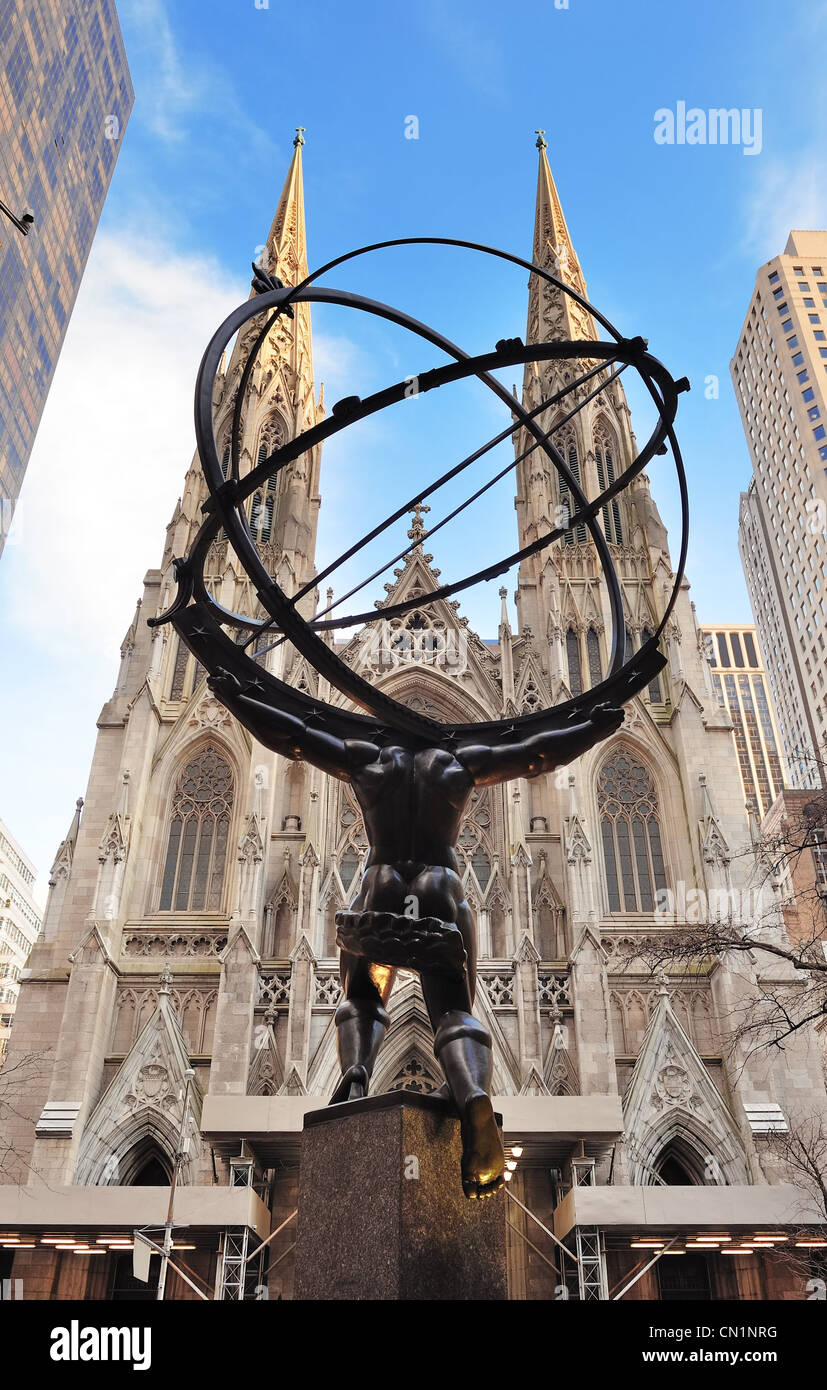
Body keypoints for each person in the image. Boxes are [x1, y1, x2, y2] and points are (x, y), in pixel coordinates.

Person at [209, 668, 622, 1198]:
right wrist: (595, 726)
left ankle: (356, 1071)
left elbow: (292, 734)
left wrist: (234, 693)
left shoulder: (367, 757)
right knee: (453, 1012)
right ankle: (473, 1095)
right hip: (440, 892)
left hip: (379, 889)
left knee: (361, 997)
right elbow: (536, 750)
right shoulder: (456, 762)